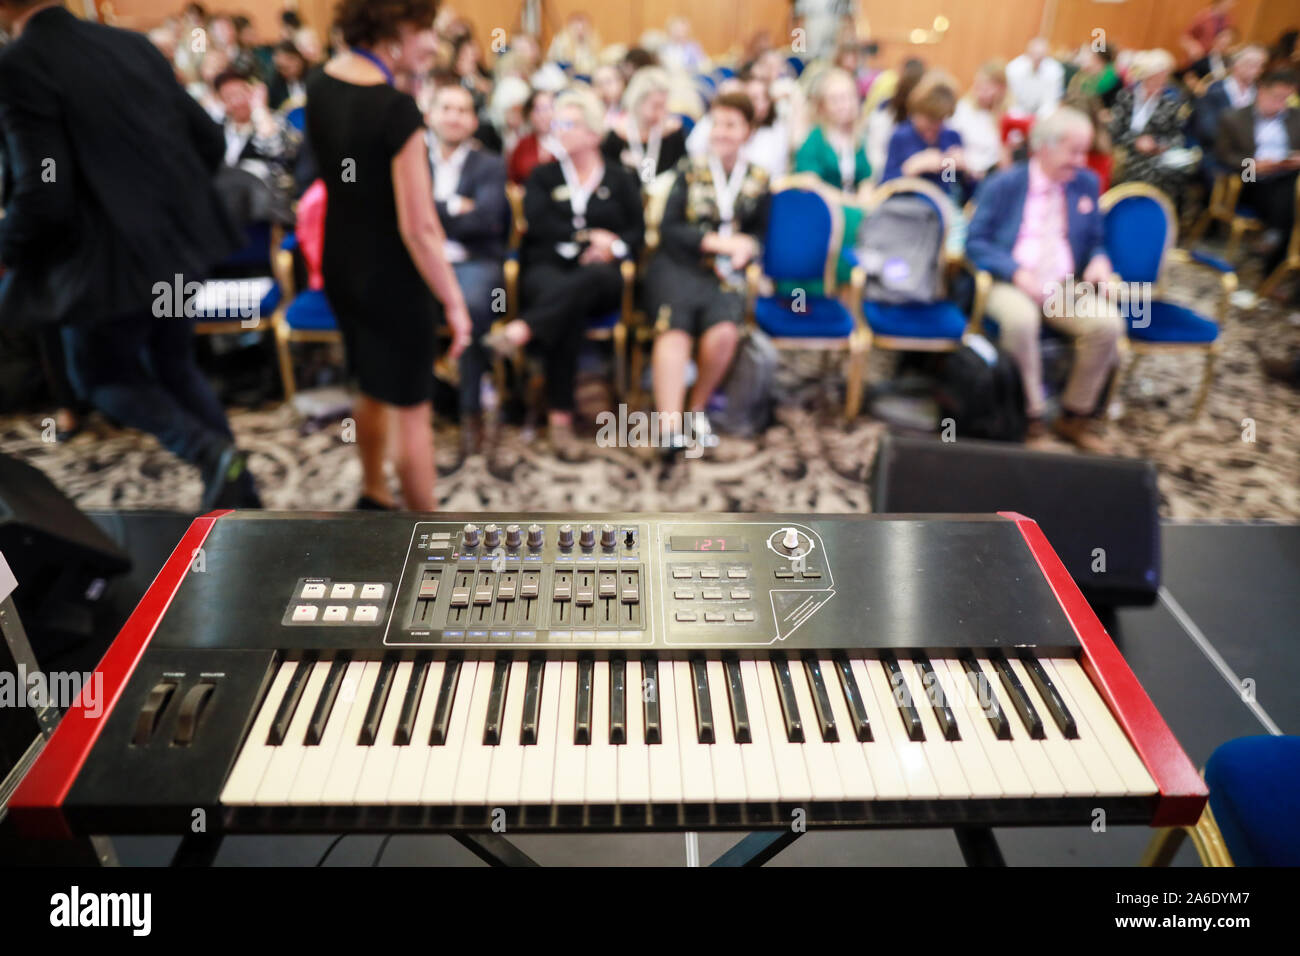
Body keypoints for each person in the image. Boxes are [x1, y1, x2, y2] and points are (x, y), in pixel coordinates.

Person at [0, 0, 260, 508]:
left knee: (100, 378)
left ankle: (209, 453)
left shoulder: (20, 63)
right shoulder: (132, 45)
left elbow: (44, 189)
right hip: (175, 247)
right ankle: (241, 496)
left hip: (107, 269)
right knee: (176, 366)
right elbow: (207, 141)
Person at [305, 0, 471, 511]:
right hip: (392, 277)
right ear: (396, 28)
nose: (432, 44)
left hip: (343, 264)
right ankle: (429, 536)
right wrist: (455, 304)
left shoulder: (320, 84)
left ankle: (375, 490)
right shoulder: (394, 109)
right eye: (426, 31)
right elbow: (419, 227)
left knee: (370, 382)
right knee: (412, 409)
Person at [485, 88, 643, 461]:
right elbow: (540, 226)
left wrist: (614, 247)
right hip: (549, 266)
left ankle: (522, 330)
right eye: (556, 122)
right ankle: (560, 419)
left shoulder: (620, 179)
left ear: (591, 133)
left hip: (599, 273)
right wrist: (589, 236)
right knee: (567, 303)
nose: (557, 129)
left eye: (567, 123)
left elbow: (636, 232)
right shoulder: (543, 175)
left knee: (588, 283)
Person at [966, 107, 1122, 453]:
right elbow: (975, 242)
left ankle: (1074, 415)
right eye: (1074, 151)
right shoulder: (1005, 183)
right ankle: (1031, 418)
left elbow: (1096, 238)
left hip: (1061, 284)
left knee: (1108, 324)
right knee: (1021, 320)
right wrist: (1016, 272)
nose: (1082, 161)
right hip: (1009, 280)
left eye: (1085, 151)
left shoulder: (1085, 183)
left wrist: (1098, 261)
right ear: (1044, 147)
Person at [646, 92, 770, 457]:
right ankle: (669, 427)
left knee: (724, 331)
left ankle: (695, 409)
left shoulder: (760, 180)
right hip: (678, 264)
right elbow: (668, 230)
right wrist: (714, 241)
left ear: (747, 130)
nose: (722, 132)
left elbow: (763, 234)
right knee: (675, 327)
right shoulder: (690, 169)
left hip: (725, 273)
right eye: (717, 123)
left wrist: (749, 245)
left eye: (731, 125)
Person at [425, 80, 509, 459]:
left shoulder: (489, 164)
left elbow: (488, 221)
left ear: (474, 121)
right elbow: (402, 218)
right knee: (394, 303)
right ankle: (417, 405)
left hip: (474, 261)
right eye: (447, 108)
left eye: (463, 110)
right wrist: (455, 207)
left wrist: (432, 212)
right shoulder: (413, 162)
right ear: (430, 115)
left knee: (475, 309)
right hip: (424, 261)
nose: (454, 117)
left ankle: (470, 411)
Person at [1215, 70, 1300, 275]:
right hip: (1249, 175)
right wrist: (1252, 164)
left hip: (1286, 174)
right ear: (1261, 91)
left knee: (1287, 186)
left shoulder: (1295, 118)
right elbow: (1223, 155)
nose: (1282, 104)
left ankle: (1275, 237)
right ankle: (1275, 256)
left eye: (1287, 99)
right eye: (1277, 98)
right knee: (1287, 194)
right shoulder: (1234, 117)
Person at [794, 67, 870, 283]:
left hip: (853, 210)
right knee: (852, 218)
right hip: (823, 213)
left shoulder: (856, 139)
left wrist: (864, 198)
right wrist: (851, 203)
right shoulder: (814, 139)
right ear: (822, 106)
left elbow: (865, 176)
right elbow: (809, 184)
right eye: (835, 100)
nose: (843, 105)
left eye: (847, 98)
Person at [1108, 50, 1189, 197]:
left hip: (1156, 154)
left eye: (1164, 76)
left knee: (1174, 174)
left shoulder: (1171, 104)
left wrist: (1158, 144)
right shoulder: (1126, 96)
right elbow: (1113, 128)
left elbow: (1178, 137)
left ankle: (1157, 214)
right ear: (1146, 75)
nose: (1161, 80)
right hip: (1126, 149)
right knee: (1141, 170)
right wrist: (1136, 142)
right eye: (1157, 76)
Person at [881, 73, 967, 202]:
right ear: (916, 111)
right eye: (930, 120)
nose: (935, 127)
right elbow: (884, 187)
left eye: (940, 120)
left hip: (944, 209)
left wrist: (964, 170)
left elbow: (951, 185)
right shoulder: (901, 137)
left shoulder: (950, 138)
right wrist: (911, 168)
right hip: (909, 207)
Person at [603, 66, 687, 187]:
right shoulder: (616, 136)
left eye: (664, 106)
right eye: (656, 106)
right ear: (638, 102)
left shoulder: (673, 133)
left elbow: (682, 171)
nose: (661, 113)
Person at [1195, 45, 1266, 149]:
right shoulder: (1214, 91)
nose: (1258, 70)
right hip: (1219, 150)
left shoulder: (1260, 93)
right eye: (1253, 65)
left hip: (1255, 150)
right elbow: (1208, 130)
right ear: (1236, 65)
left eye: (1260, 66)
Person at [951, 59, 1009, 182]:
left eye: (987, 89)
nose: (981, 94)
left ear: (1001, 89)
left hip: (992, 173)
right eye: (978, 87)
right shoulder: (963, 108)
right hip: (964, 171)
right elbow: (952, 144)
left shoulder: (1008, 114)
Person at [507, 88, 555, 185]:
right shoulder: (522, 144)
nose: (543, 115)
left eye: (548, 108)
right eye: (538, 109)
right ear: (530, 114)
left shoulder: (567, 143)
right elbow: (512, 179)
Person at [1006, 37, 1064, 118]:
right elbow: (1011, 98)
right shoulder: (1014, 68)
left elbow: (1050, 101)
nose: (1036, 59)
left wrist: (1038, 119)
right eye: (1033, 54)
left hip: (1040, 116)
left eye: (1040, 56)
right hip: (1017, 112)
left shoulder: (1055, 71)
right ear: (1027, 53)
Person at [267, 40, 309, 110]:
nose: (289, 69)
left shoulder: (312, 78)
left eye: (291, 59)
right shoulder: (275, 85)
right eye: (282, 68)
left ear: (300, 58)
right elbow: (273, 109)